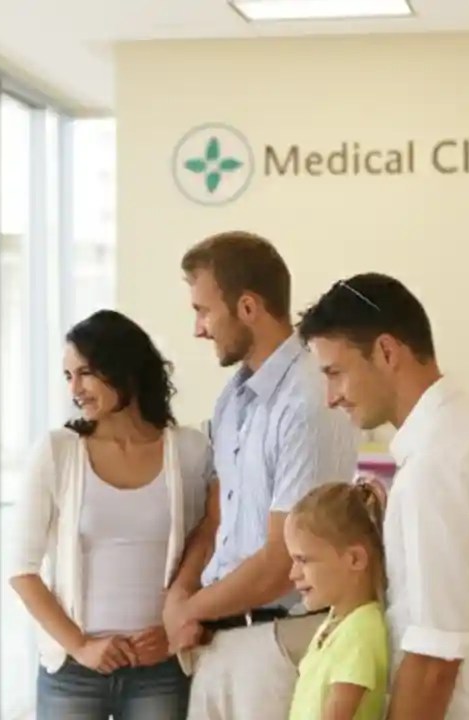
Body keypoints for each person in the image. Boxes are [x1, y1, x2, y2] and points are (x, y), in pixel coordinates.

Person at [297, 273, 469, 720]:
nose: (330, 398)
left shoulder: (436, 462)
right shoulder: (466, 433)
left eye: (335, 373)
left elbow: (434, 659)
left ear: (386, 351)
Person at [162, 231, 359, 720]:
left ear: (248, 307)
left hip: (274, 643)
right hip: (221, 642)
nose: (198, 329)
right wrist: (180, 595)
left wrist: (190, 609)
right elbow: (216, 519)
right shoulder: (233, 400)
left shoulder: (308, 399)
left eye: (204, 312)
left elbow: (281, 560)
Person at [9, 309, 217, 719]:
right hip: (72, 671)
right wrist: (82, 646)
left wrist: (175, 630)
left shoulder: (190, 451)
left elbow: (209, 540)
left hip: (160, 667)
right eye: (68, 376)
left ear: (124, 369)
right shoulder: (56, 452)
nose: (75, 389)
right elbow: (21, 570)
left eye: (85, 373)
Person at [285, 482, 391, 720]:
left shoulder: (361, 632)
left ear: (355, 559)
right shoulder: (336, 624)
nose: (293, 574)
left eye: (303, 560)